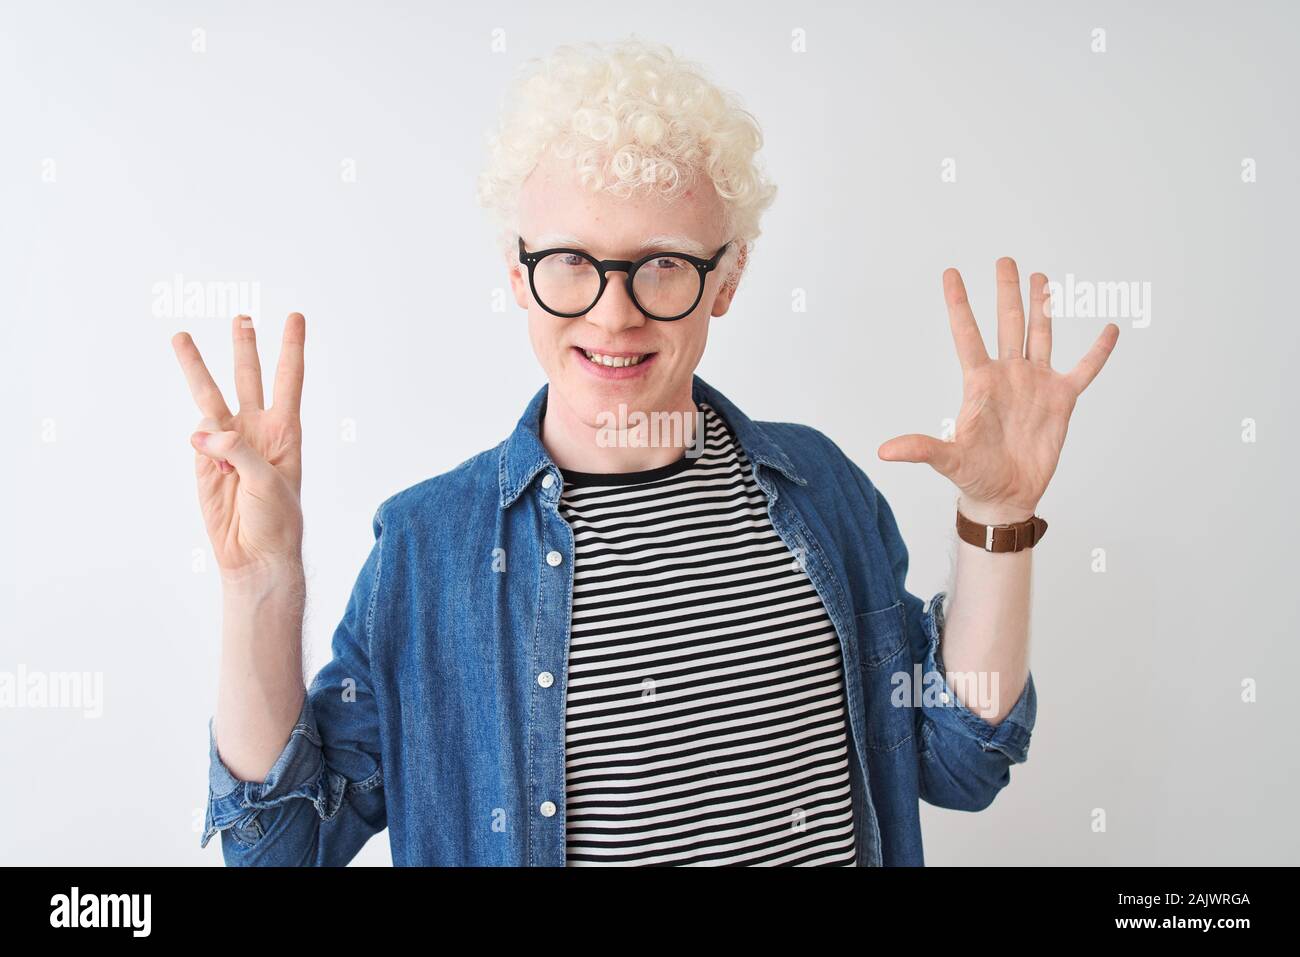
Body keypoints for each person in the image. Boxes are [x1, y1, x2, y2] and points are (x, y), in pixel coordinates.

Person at [173, 37, 1118, 866]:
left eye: (663, 262)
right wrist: (260, 584)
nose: (614, 312)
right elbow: (281, 845)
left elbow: (961, 758)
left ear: (729, 279)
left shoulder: (819, 490)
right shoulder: (430, 549)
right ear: (518, 275)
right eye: (572, 262)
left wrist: (999, 522)